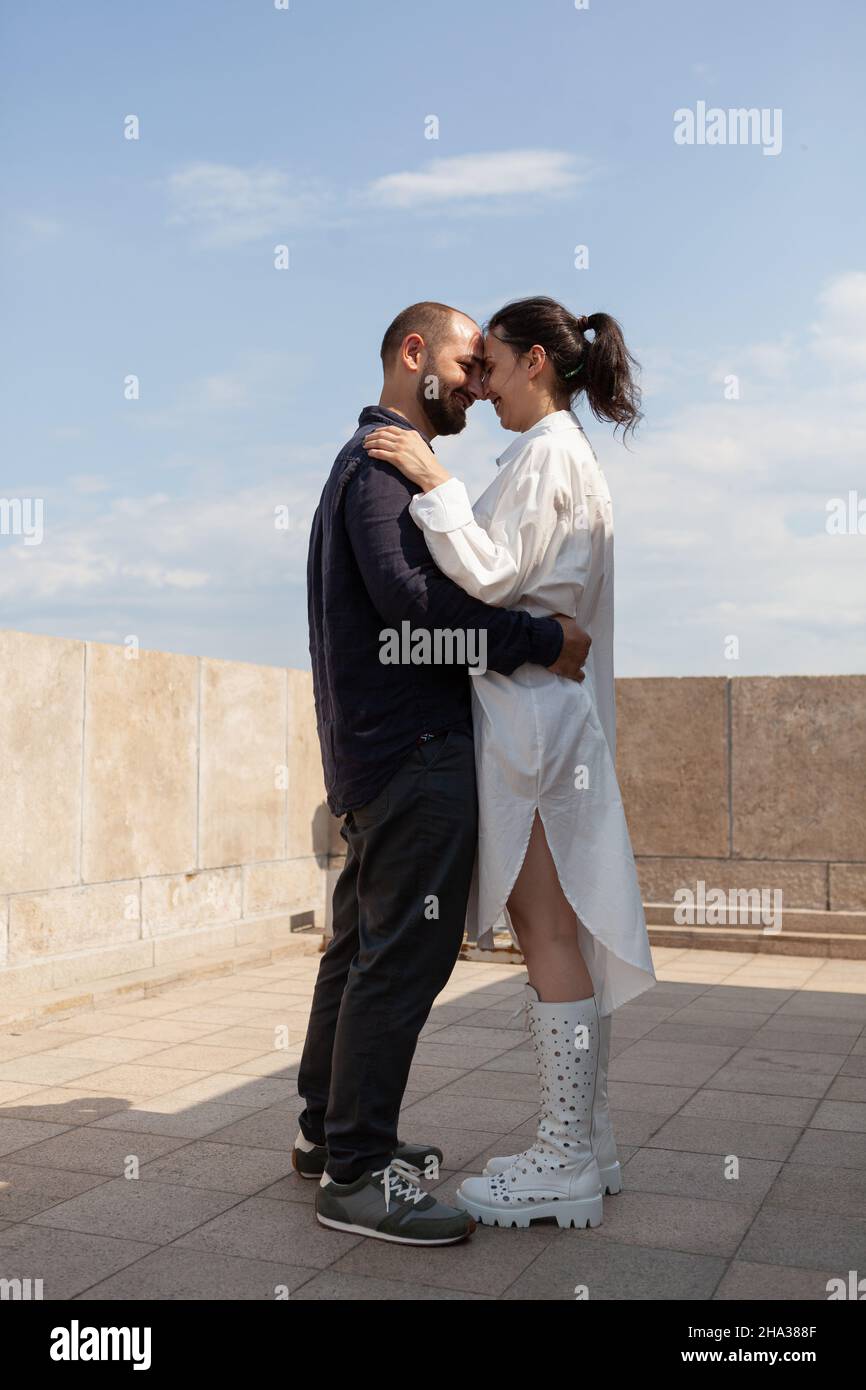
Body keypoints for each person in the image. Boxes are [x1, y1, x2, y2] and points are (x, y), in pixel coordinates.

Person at [297, 301, 592, 1245]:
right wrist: (540, 639)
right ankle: (355, 1176)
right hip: (410, 752)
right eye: (466, 363)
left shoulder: (372, 461)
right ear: (412, 354)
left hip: (375, 751)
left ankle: (326, 1136)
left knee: (358, 951)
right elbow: (415, 613)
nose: (474, 382)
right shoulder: (384, 465)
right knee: (399, 964)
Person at [362, 295, 657, 1230]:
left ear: (536, 363)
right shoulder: (567, 456)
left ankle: (564, 1159)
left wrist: (430, 476)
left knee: (548, 938)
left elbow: (489, 574)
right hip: (551, 719)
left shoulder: (545, 455)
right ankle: (592, 1144)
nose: (477, 386)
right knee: (561, 930)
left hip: (532, 726)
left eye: (488, 365)